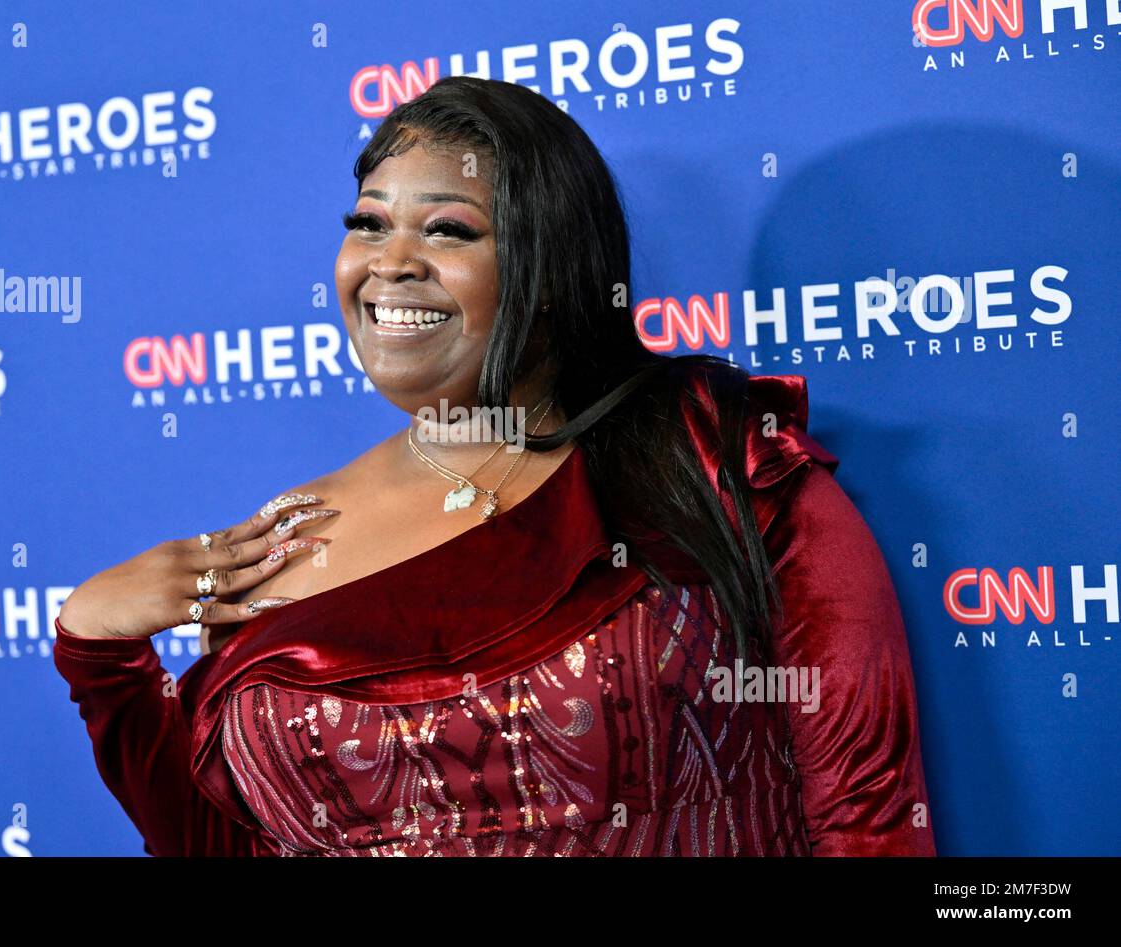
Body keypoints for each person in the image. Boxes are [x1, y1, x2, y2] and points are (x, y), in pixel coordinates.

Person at [53, 76, 935, 857]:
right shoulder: (285, 538)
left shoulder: (712, 459)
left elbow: (867, 818)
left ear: (549, 268)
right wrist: (101, 657)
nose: (390, 262)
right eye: (368, 223)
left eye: (447, 229)